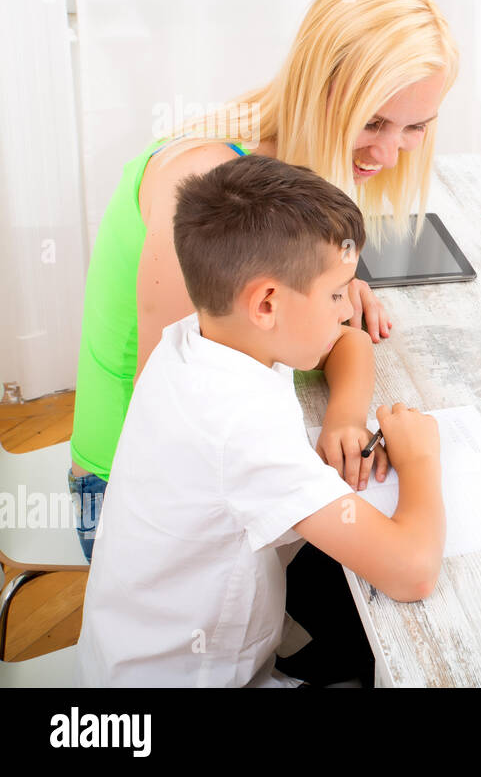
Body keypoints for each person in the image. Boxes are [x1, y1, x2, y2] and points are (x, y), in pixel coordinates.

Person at [68, 0, 458, 559]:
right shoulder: (209, 188)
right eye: (373, 122)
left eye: (414, 128)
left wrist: (343, 390)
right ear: (319, 89)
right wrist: (328, 312)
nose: (387, 153)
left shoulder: (306, 174)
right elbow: (176, 412)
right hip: (129, 494)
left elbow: (328, 333)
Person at [76, 155, 446, 686]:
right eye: (338, 292)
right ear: (268, 303)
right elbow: (413, 571)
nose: (349, 308)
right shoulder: (238, 430)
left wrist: (343, 416)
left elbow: (350, 341)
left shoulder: (197, 338)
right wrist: (421, 459)